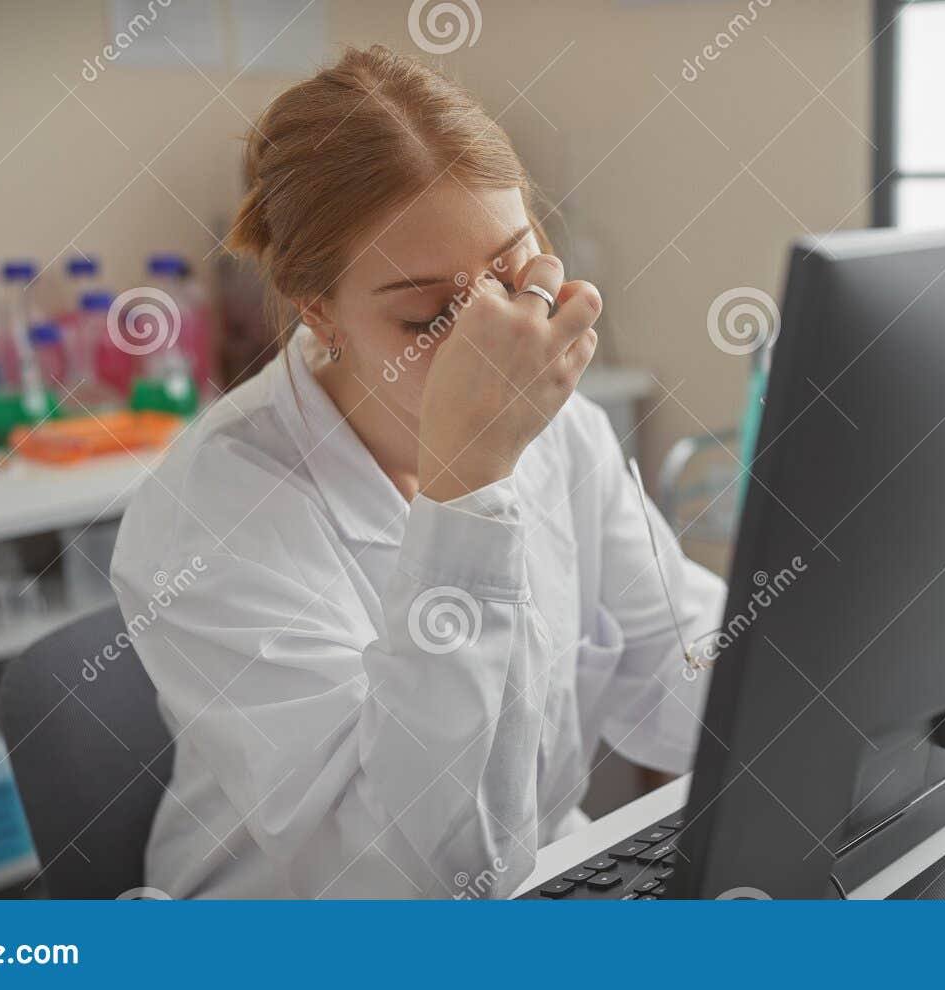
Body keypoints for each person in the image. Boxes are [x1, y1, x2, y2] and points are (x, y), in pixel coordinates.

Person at [111, 46, 724, 899]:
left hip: (539, 884)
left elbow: (683, 675)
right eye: (430, 316)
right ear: (320, 310)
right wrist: (468, 488)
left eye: (516, 276)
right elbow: (421, 881)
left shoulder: (562, 433)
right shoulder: (212, 517)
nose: (491, 345)